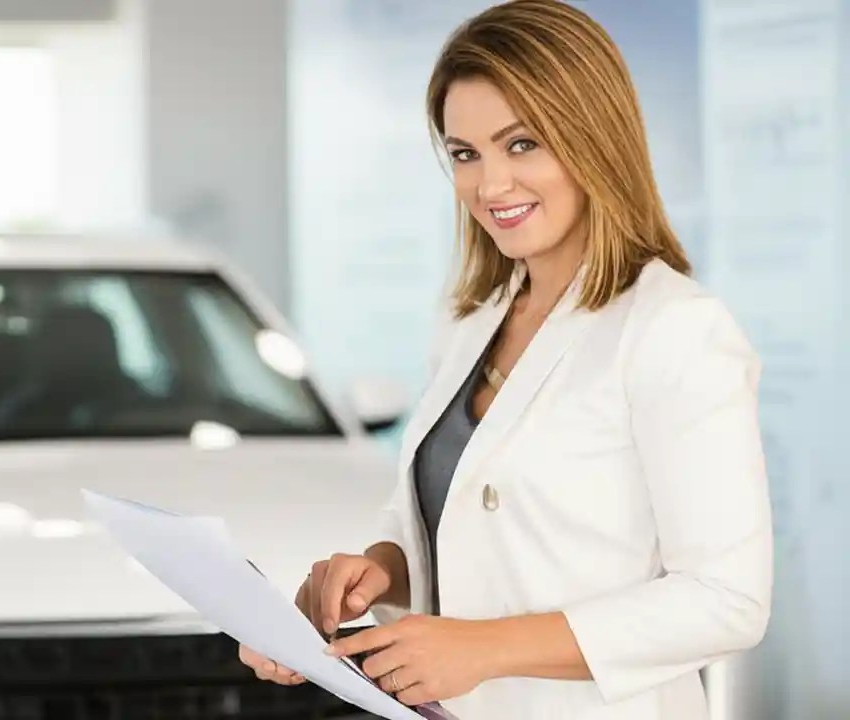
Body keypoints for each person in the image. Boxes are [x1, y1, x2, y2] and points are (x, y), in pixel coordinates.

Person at [239, 1, 773, 718]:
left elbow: (728, 600)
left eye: (521, 144)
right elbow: (445, 518)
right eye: (465, 154)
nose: (489, 187)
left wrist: (484, 647)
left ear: (594, 138)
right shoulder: (472, 320)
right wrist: (377, 572)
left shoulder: (674, 328)